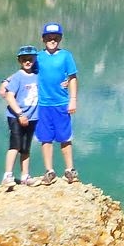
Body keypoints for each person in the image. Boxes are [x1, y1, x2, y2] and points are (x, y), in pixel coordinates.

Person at [33, 21, 80, 185]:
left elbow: (73, 78)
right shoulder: (37, 57)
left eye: (56, 37)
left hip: (61, 103)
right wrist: (6, 81)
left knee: (64, 137)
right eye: (49, 37)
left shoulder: (66, 56)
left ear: (60, 39)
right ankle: (49, 171)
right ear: (43, 39)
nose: (52, 40)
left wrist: (73, 100)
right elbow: (24, 72)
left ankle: (70, 170)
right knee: (45, 139)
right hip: (43, 104)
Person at [0, 45, 41, 190]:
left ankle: (25, 176)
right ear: (19, 60)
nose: (27, 62)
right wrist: (20, 114)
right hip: (16, 116)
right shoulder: (17, 77)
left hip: (32, 117)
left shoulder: (37, 76)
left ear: (35, 59)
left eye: (30, 59)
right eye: (24, 59)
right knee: (15, 145)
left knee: (26, 147)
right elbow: (9, 96)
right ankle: (8, 175)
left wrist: (64, 83)